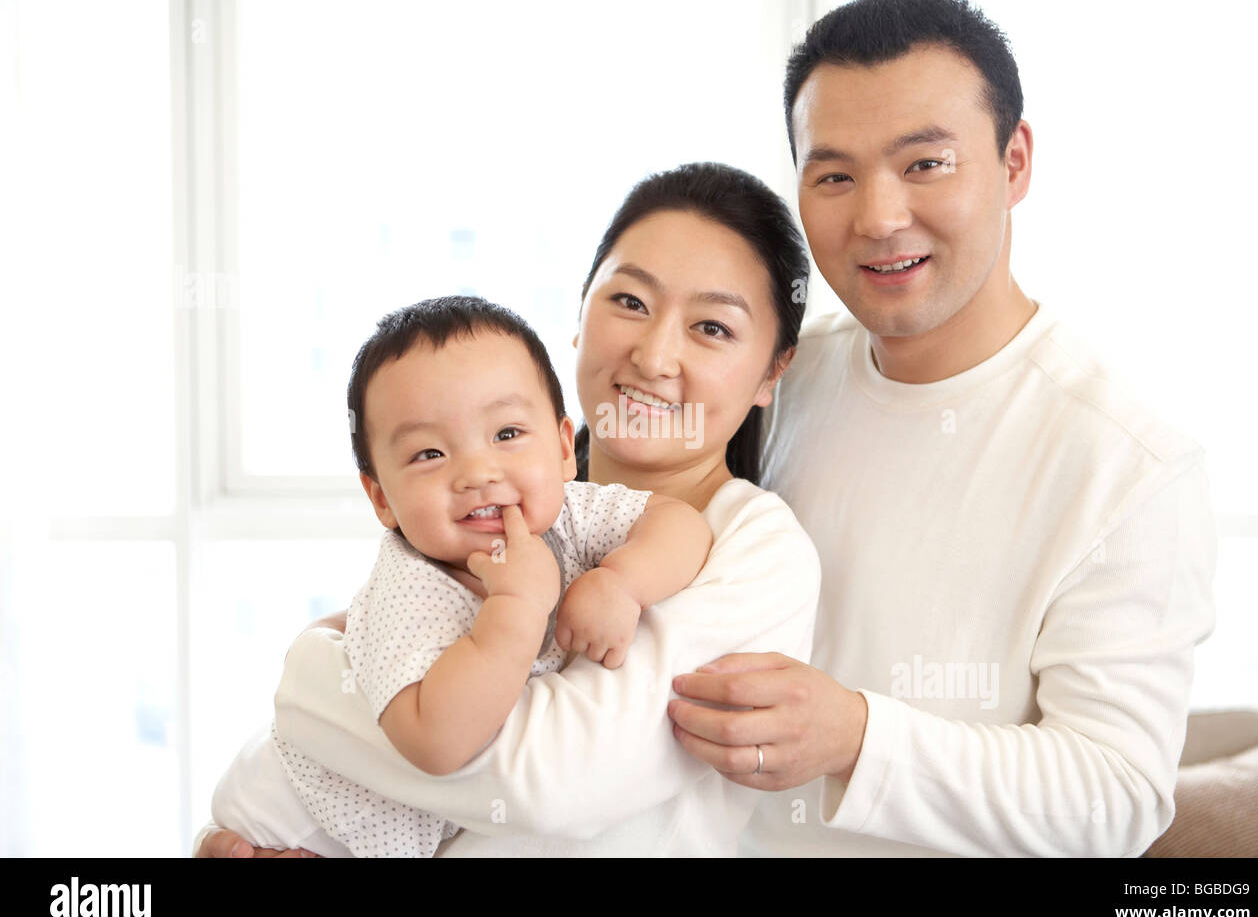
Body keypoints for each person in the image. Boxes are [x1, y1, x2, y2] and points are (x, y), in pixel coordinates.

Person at [668, 0, 1217, 856]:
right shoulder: (776, 377)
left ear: (1015, 161)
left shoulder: (1130, 467)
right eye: (835, 176)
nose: (879, 218)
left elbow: (1116, 799)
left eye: (925, 164)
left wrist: (854, 736)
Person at [196, 161, 822, 857]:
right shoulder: (498, 505)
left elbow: (543, 778)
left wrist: (313, 681)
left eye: (711, 326)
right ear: (579, 315)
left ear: (772, 371)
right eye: (630, 303)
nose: (653, 355)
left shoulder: (755, 547)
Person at [211, 296, 713, 857]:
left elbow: (680, 525)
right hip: (294, 819)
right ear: (381, 498)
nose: (477, 473)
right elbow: (437, 742)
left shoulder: (569, 513)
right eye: (429, 452)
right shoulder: (407, 586)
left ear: (565, 448)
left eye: (506, 434)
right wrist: (517, 609)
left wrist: (622, 581)